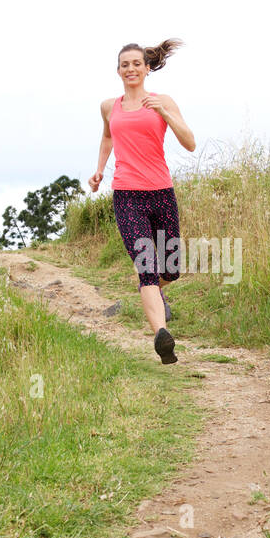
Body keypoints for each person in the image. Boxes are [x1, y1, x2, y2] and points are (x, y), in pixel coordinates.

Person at [89, 39, 196, 364]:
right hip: (127, 194)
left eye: (137, 63)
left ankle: (151, 290)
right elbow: (108, 136)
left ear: (147, 68)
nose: (131, 69)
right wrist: (99, 170)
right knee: (147, 266)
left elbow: (190, 142)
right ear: (118, 71)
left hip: (161, 192)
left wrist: (164, 112)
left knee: (171, 269)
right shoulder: (110, 106)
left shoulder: (161, 101)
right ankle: (163, 338)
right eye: (125, 64)